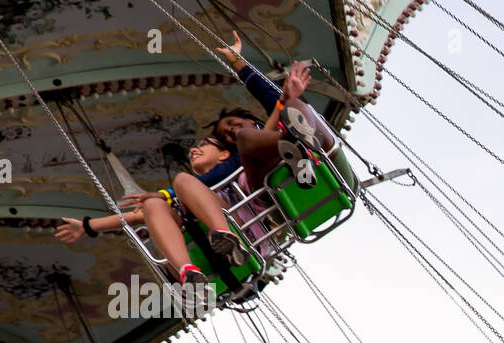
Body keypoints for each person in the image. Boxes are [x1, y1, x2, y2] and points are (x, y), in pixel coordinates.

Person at [54, 134, 248, 292]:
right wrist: (87, 226)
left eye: (205, 144)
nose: (193, 150)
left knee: (182, 180)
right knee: (153, 205)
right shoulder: (184, 193)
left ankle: (227, 238)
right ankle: (186, 270)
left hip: (241, 230)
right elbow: (139, 216)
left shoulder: (237, 175)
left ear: (223, 154)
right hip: (197, 240)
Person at [210, 32, 338, 193]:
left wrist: (236, 61)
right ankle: (299, 147)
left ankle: (304, 148)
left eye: (230, 123)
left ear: (250, 119)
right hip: (269, 183)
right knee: (245, 137)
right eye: (224, 136)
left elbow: (265, 93)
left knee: (293, 103)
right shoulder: (242, 158)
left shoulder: (280, 124)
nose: (230, 130)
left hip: (319, 153)